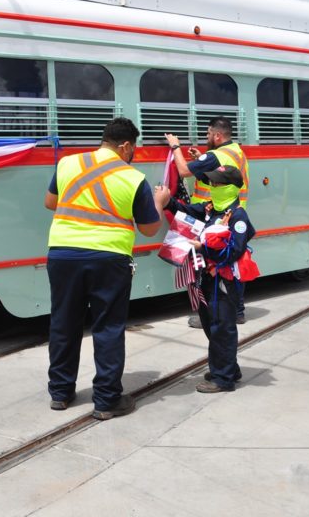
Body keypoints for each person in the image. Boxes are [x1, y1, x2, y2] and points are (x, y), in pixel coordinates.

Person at [44, 117, 161, 420]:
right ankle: (107, 400)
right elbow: (150, 229)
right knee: (107, 327)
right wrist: (160, 201)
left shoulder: (68, 163)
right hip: (109, 258)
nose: (133, 153)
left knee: (63, 322)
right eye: (133, 148)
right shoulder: (133, 178)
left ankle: (60, 392)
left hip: (63, 253)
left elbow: (50, 202)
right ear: (124, 146)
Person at [153, 166, 256, 393]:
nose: (213, 188)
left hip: (224, 281)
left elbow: (235, 251)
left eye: (218, 184)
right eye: (212, 184)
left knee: (222, 327)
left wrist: (204, 247)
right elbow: (186, 210)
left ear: (231, 187)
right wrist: (168, 200)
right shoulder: (210, 209)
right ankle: (228, 368)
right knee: (211, 324)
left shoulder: (238, 216)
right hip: (206, 279)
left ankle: (223, 379)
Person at [165, 117, 250, 324]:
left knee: (211, 266)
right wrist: (202, 158)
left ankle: (215, 315)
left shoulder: (216, 155)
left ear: (217, 135)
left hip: (215, 216)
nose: (207, 137)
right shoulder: (235, 150)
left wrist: (175, 146)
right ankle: (236, 311)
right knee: (231, 265)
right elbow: (220, 172)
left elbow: (184, 171)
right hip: (229, 211)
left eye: (208, 134)